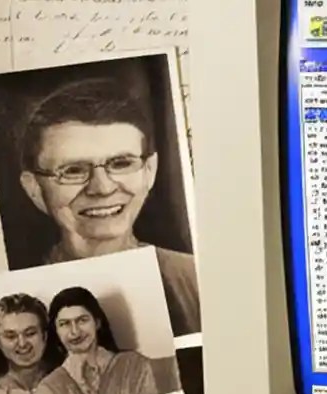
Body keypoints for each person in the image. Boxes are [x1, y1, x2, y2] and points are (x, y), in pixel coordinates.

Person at [17, 77, 201, 336]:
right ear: (34, 188)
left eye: (121, 163)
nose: (102, 188)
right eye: (72, 170)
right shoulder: (16, 301)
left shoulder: (197, 277)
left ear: (150, 171)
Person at [33, 287, 162, 394]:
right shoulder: (48, 390)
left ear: (97, 322)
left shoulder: (135, 365)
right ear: (56, 331)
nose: (75, 332)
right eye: (64, 324)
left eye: (82, 320)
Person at [0, 293, 56, 394]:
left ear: (44, 335)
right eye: (11, 336)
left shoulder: (67, 380)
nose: (22, 343)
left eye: (30, 333)